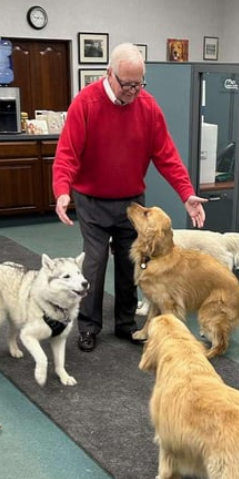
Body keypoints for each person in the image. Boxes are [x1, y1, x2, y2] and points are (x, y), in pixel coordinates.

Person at [51, 42, 206, 353]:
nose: (134, 90)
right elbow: (67, 154)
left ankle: (124, 324)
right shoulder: (86, 103)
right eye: (127, 84)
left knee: (129, 263)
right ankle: (89, 326)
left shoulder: (148, 107)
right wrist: (62, 191)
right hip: (92, 201)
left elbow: (167, 156)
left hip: (132, 204)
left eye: (139, 83)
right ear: (110, 74)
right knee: (94, 264)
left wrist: (186, 193)